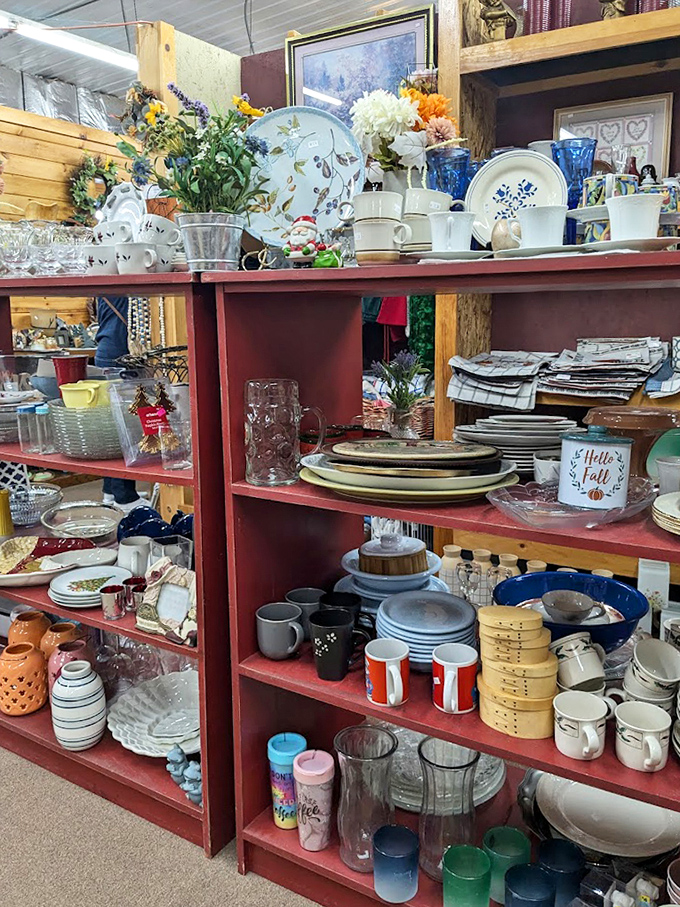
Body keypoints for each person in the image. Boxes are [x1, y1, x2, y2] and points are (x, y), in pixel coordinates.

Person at [95, 296, 144, 511]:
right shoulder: (128, 284)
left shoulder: (106, 280)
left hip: (107, 352)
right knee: (125, 426)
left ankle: (111, 490)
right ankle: (125, 497)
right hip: (121, 355)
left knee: (112, 424)